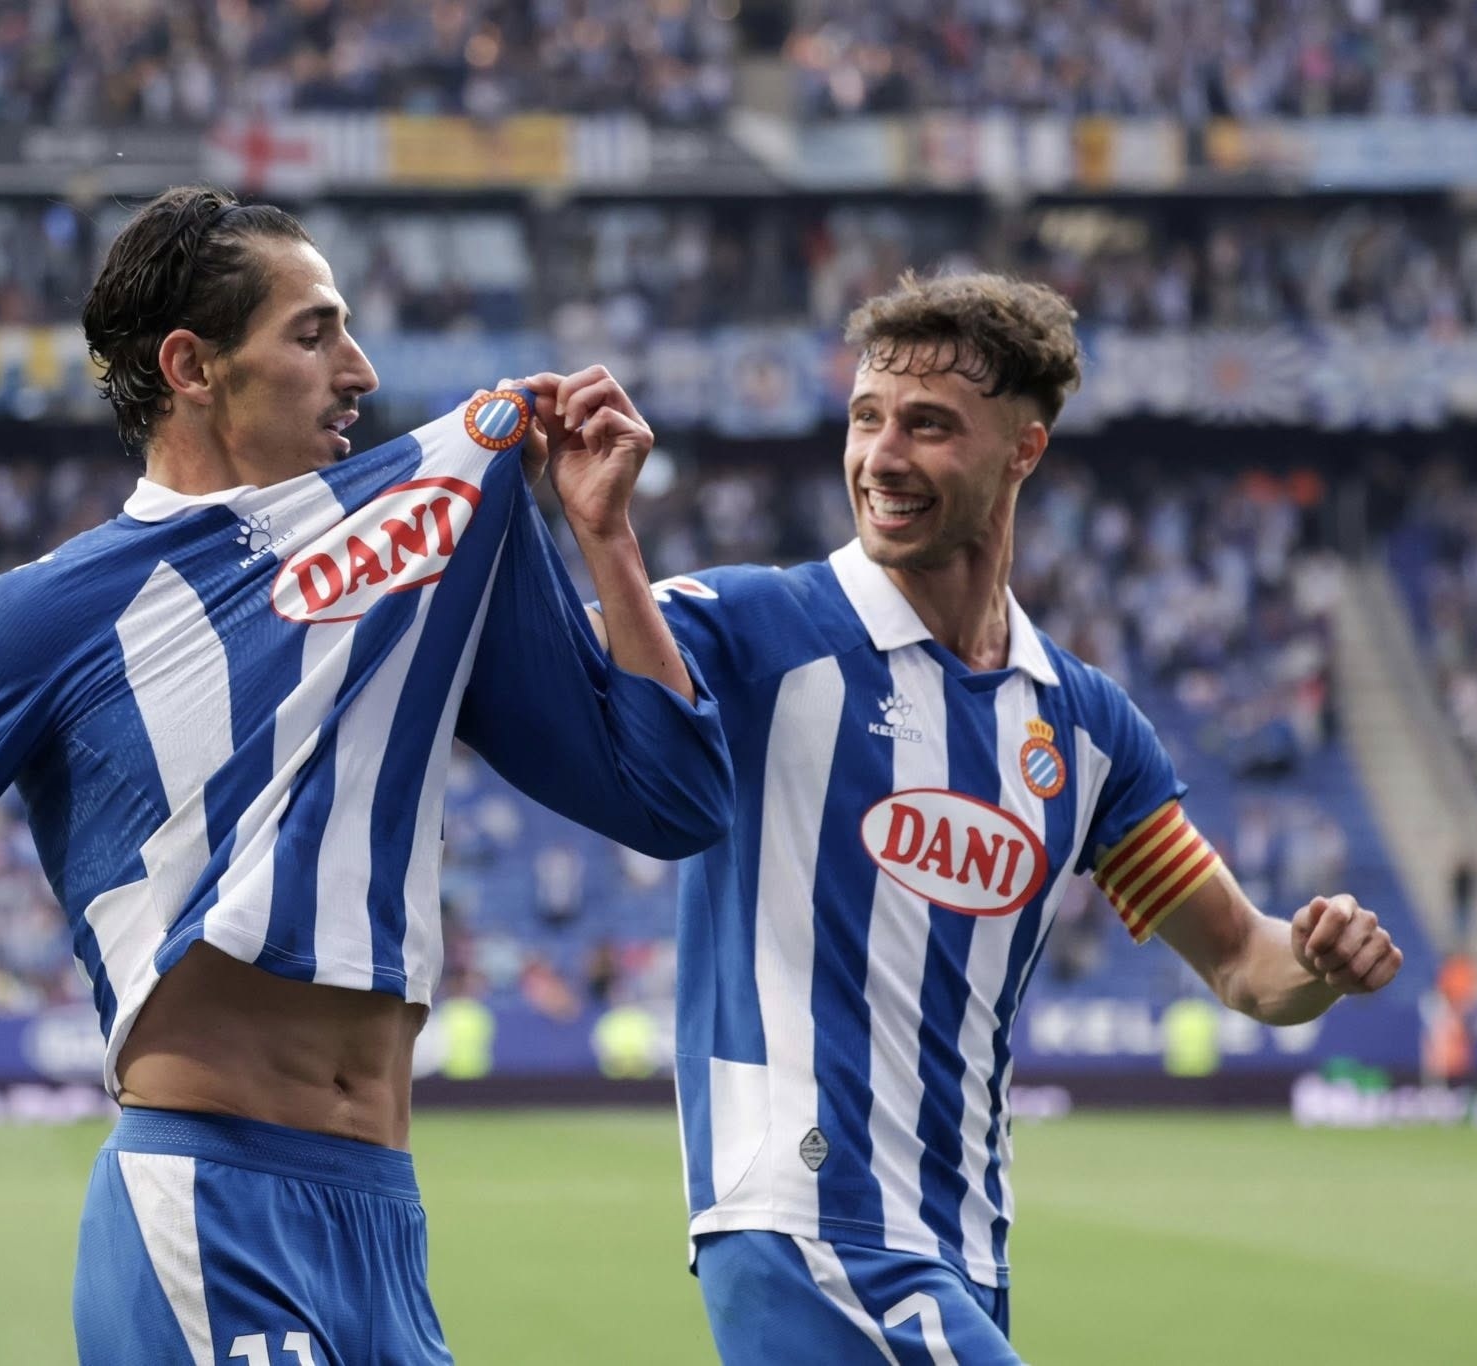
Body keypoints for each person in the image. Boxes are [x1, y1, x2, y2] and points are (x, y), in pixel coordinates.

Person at [0, 186, 732, 1364]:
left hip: (384, 1223)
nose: (358, 368)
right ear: (191, 365)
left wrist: (604, 539)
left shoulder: (431, 554)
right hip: (208, 1209)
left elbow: (671, 801)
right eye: (312, 332)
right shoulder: (46, 617)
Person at [563, 271, 1405, 1364]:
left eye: (926, 425)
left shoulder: (1085, 726)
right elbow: (544, 667)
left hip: (964, 1247)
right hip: (809, 1217)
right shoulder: (758, 627)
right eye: (865, 418)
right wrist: (604, 538)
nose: (880, 456)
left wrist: (1317, 960)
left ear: (1024, 449)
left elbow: (1245, 963)